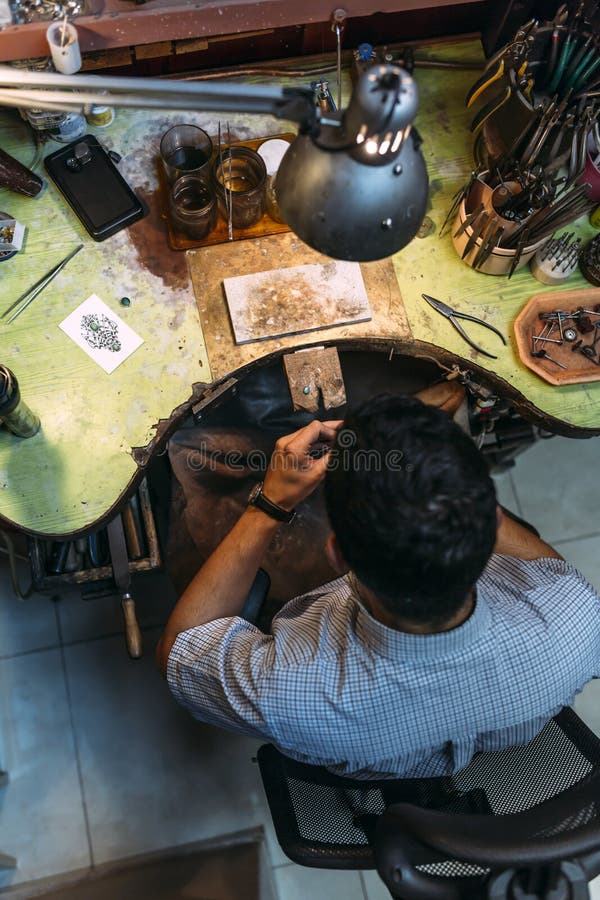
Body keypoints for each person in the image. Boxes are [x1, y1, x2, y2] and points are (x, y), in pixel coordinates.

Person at [157, 386, 600, 779]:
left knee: (197, 449)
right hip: (462, 737)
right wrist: (416, 453)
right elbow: (546, 568)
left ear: (338, 556)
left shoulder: (289, 692)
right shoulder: (574, 617)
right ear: (495, 520)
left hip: (366, 753)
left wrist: (270, 503)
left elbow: (179, 648)